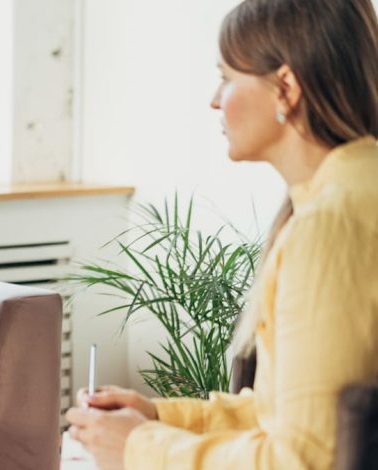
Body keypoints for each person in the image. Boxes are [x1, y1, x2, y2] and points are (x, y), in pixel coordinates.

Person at [66, 0, 378, 468]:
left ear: (286, 88)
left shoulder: (327, 228)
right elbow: (286, 413)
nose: (215, 99)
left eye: (227, 77)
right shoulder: (354, 191)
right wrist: (158, 417)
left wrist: (137, 446)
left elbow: (304, 458)